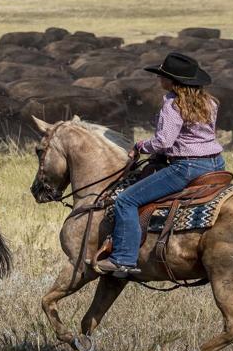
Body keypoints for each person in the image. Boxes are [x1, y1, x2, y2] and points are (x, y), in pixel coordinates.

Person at [94, 51, 225, 276]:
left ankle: (123, 258)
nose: (159, 79)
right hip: (216, 164)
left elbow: (164, 142)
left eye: (162, 75)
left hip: (187, 167)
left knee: (126, 200)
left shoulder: (173, 105)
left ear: (173, 82)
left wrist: (140, 146)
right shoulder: (209, 102)